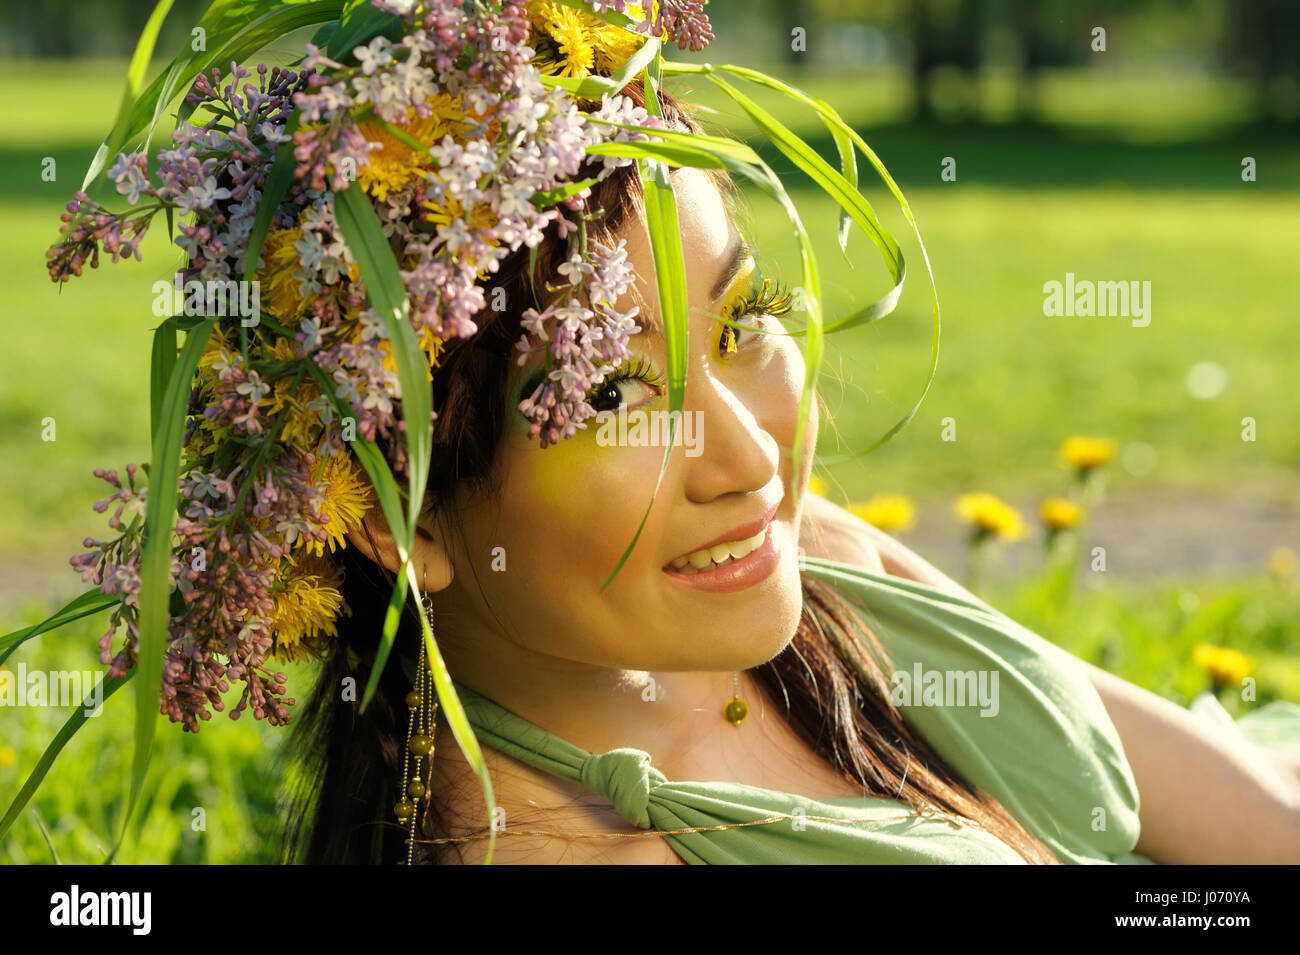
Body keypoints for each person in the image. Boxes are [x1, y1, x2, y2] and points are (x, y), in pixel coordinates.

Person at [28, 0, 1300, 867]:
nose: (752, 458)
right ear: (397, 514)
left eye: (743, 318)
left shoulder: (789, 563)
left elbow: (1246, 821)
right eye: (611, 397)